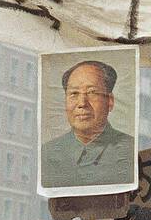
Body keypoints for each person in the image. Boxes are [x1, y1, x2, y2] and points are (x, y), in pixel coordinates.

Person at [41, 60, 135, 190]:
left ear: (110, 101)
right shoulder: (47, 153)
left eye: (92, 92)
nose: (82, 103)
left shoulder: (132, 151)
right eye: (74, 94)